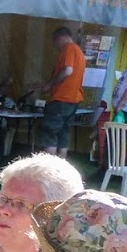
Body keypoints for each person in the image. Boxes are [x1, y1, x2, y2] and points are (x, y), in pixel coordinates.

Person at [32, 26, 86, 155]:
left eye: (55, 41)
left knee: (49, 133)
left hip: (62, 98)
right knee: (64, 134)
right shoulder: (79, 51)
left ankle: (50, 168)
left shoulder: (69, 48)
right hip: (73, 99)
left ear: (60, 37)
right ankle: (61, 167)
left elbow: (68, 71)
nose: (55, 46)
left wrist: (49, 85)